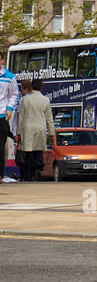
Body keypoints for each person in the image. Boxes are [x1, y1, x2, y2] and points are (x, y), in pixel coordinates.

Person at [17, 79, 55, 182]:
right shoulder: (45, 100)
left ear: (32, 87)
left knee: (28, 152)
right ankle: (37, 170)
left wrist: (18, 132)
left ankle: (29, 174)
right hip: (40, 129)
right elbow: (49, 118)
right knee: (38, 151)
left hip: (28, 128)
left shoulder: (25, 99)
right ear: (41, 87)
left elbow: (21, 117)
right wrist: (51, 132)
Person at [0, 50, 20, 183]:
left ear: (2, 61)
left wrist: (9, 109)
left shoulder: (9, 76)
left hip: (1, 115)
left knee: (0, 146)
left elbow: (14, 94)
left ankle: (0, 174)